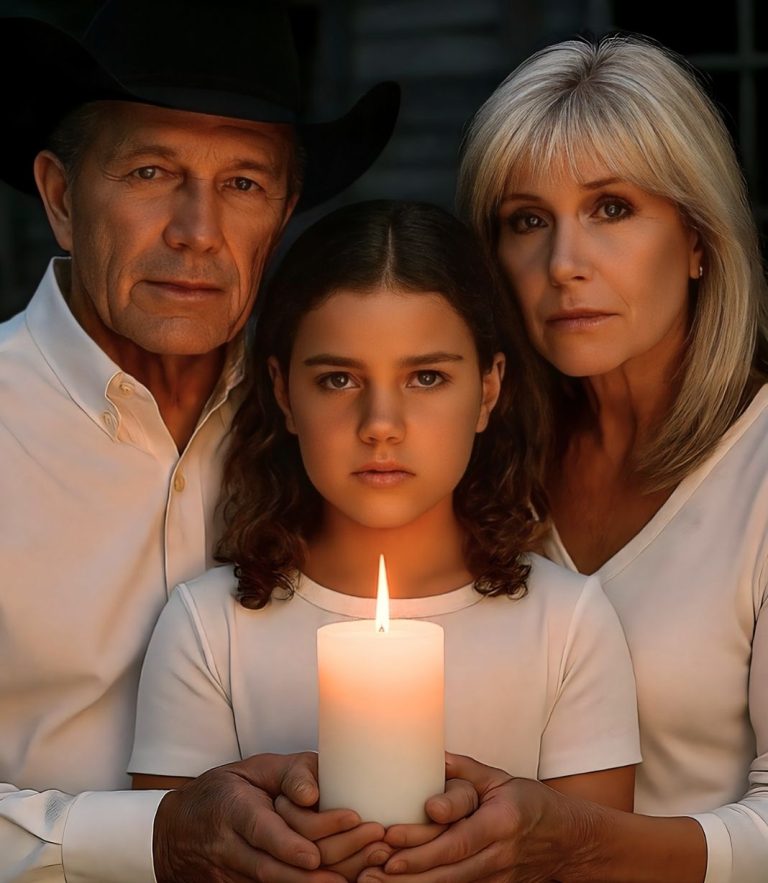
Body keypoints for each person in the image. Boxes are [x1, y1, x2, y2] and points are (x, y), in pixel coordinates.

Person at [0, 1, 399, 880]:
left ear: (284, 212)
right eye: (150, 172)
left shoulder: (341, 431)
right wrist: (148, 839)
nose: (197, 230)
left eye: (243, 185)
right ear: (62, 198)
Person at [356, 34, 768, 883]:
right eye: (527, 221)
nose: (564, 264)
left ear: (697, 241)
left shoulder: (756, 471)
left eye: (612, 209)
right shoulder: (469, 457)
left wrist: (576, 843)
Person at [128, 199, 641, 880]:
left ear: (488, 389)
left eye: (426, 377)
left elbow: (599, 862)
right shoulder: (206, 627)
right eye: (338, 378)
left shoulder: (569, 624)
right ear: (282, 391)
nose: (380, 423)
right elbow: (172, 851)